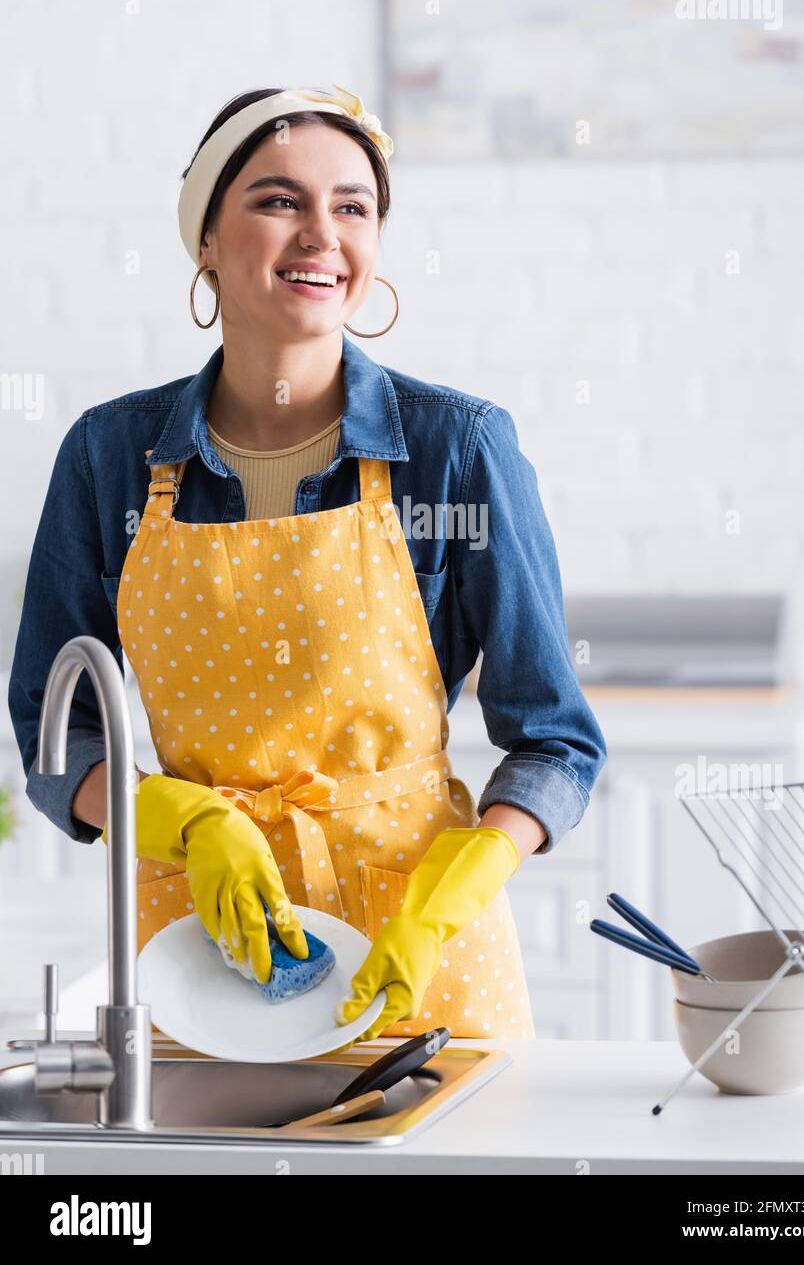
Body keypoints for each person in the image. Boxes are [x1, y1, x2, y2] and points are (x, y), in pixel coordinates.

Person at [8, 82, 607, 1041]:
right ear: (205, 238)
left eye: (353, 207)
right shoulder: (108, 457)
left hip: (416, 952)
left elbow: (557, 741)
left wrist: (462, 881)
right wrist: (185, 821)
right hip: (197, 954)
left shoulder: (458, 448)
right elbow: (51, 730)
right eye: (278, 200)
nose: (321, 235)